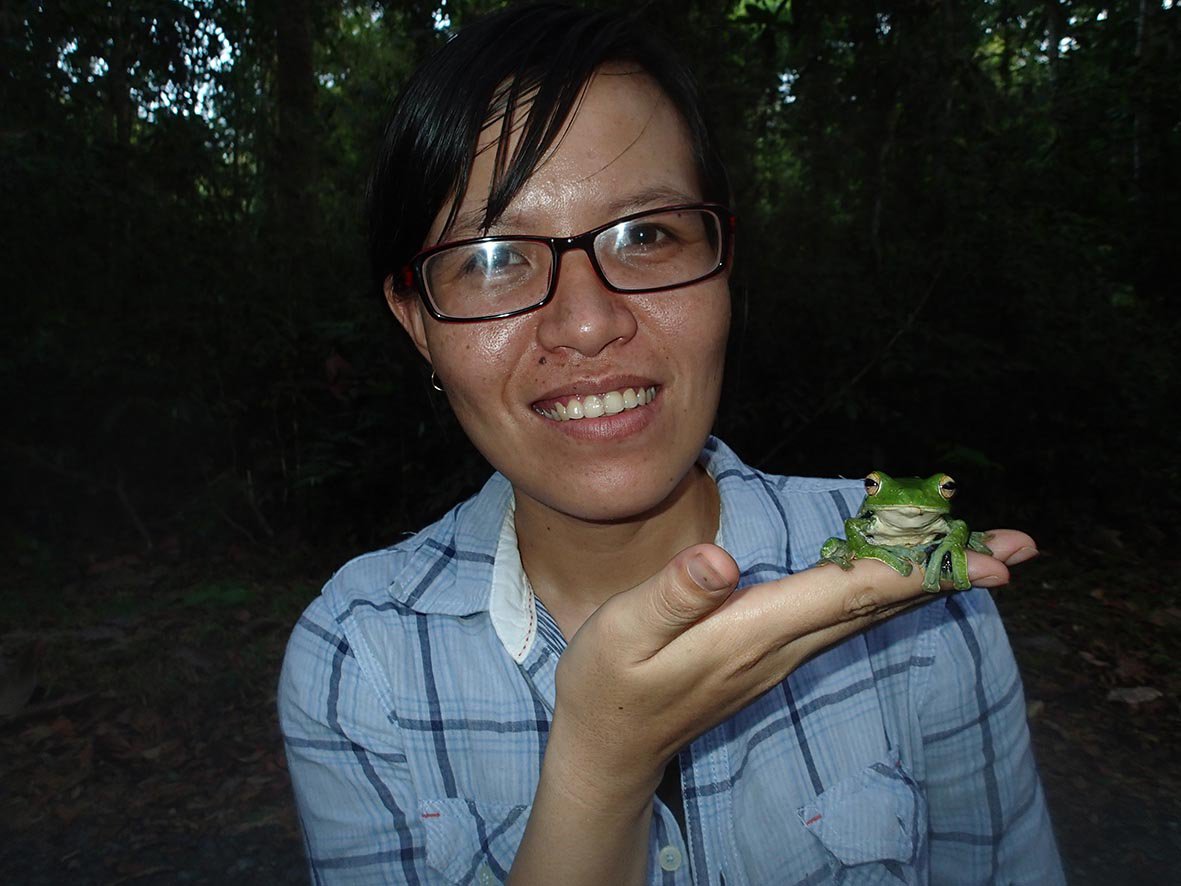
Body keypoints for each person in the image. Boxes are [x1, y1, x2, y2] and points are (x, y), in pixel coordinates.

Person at [278, 3, 1064, 884]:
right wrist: (601, 765)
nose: (584, 323)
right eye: (494, 255)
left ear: (722, 259)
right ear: (415, 320)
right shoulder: (361, 655)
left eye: (645, 234)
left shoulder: (908, 580)